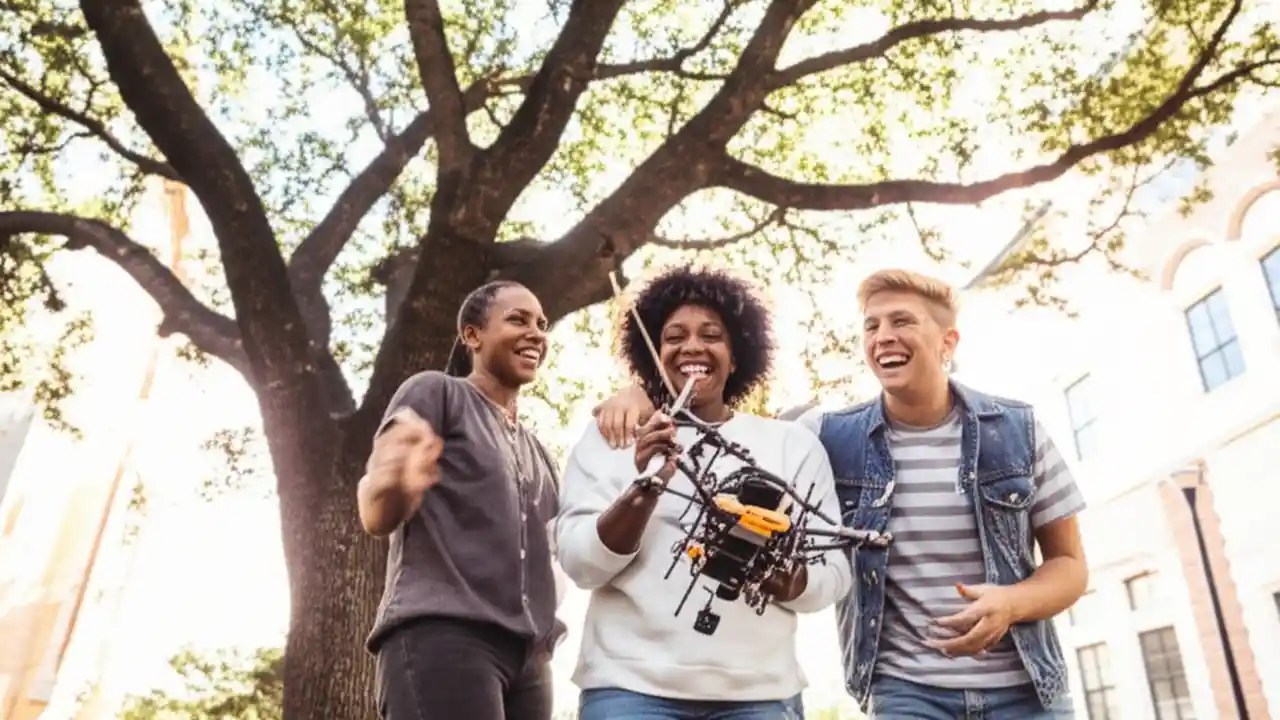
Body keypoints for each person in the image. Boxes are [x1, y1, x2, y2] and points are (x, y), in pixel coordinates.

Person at [593, 268, 1089, 719]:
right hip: (905, 694)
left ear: (948, 341)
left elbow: (1069, 566)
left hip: (1026, 691)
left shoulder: (1017, 430)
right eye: (871, 326)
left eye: (902, 322)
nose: (884, 337)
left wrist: (1012, 603)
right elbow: (734, 432)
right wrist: (642, 393)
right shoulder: (828, 435)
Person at [555, 266, 851, 720]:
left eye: (711, 335)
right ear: (653, 354)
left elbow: (834, 573)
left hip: (760, 696)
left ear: (736, 358)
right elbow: (580, 565)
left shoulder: (792, 445)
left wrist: (790, 581)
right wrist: (645, 488)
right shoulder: (611, 437)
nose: (692, 346)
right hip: (628, 690)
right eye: (674, 336)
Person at [356, 280, 564, 720]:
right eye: (517, 319)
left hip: (529, 657)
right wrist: (392, 483)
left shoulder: (541, 453)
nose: (536, 334)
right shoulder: (437, 392)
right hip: (445, 636)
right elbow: (377, 510)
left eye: (541, 324)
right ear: (472, 335)